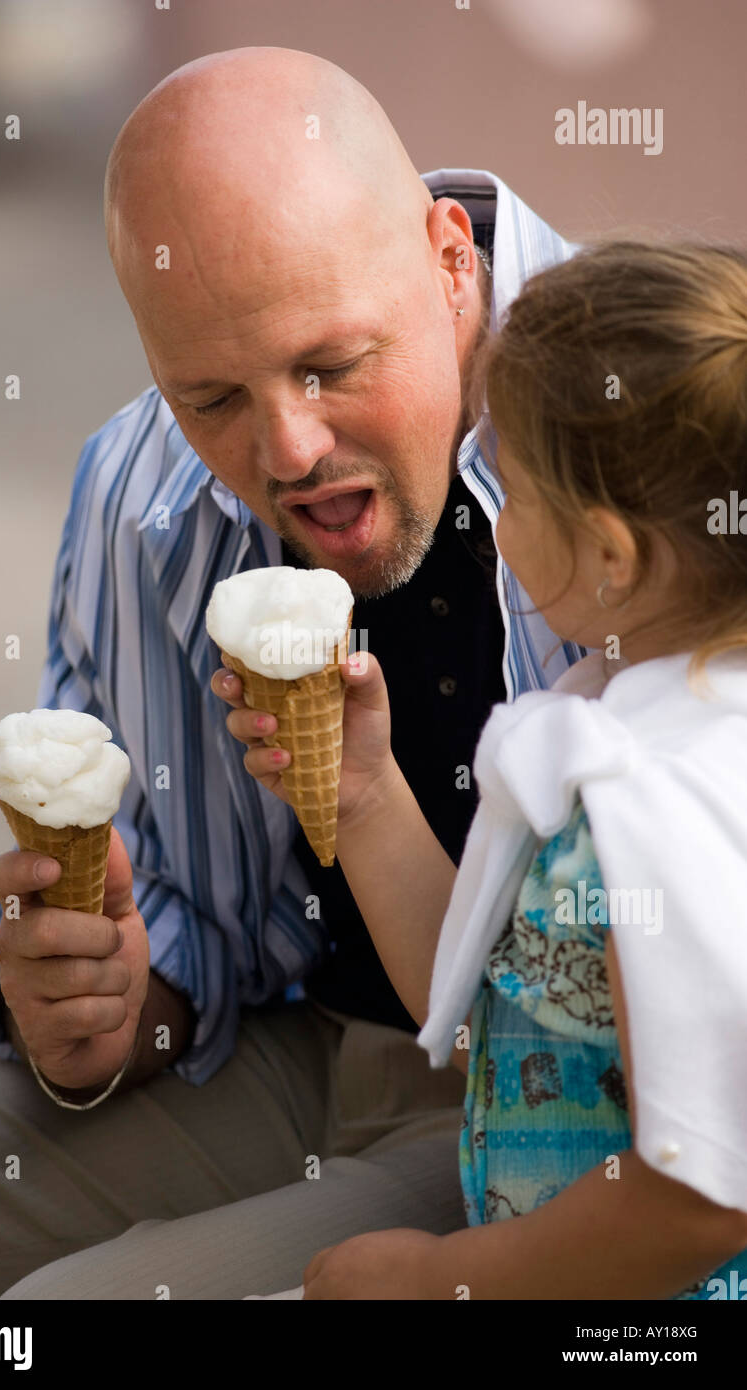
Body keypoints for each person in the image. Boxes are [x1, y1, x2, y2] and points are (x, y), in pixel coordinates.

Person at [0, 47, 581, 1301]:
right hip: (285, 1057)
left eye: (330, 364)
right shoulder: (143, 490)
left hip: (549, 1110)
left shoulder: (645, 418)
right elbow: (173, 979)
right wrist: (98, 1011)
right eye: (207, 394)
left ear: (445, 256)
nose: (288, 449)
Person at [226, 240, 747, 1298]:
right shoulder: (622, 717)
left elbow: (698, 1198)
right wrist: (363, 789)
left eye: (511, 489)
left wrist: (442, 1278)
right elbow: (494, 1008)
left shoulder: (655, 795)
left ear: (609, 554)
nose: (493, 524)